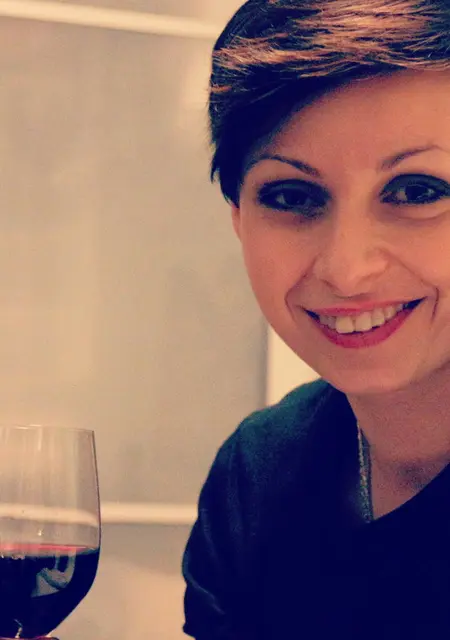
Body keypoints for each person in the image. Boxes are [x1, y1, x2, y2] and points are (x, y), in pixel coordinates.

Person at [182, 0, 450, 637]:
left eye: (417, 191)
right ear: (239, 220)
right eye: (292, 196)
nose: (347, 269)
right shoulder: (258, 470)